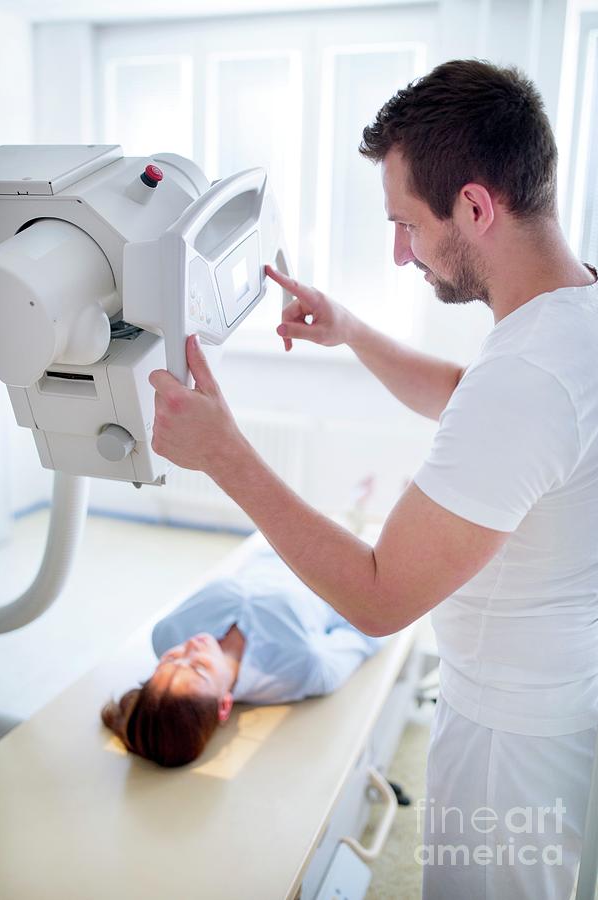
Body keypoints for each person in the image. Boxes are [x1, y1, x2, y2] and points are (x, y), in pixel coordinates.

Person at [148, 59, 598, 898]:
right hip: (552, 698)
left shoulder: (531, 378)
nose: (399, 253)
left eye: (404, 223)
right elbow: (469, 398)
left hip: (512, 742)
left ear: (473, 205)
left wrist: (224, 455)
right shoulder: (572, 313)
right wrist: (350, 329)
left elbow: (380, 597)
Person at [102, 544, 384, 768]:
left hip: (273, 542)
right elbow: (371, 629)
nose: (190, 648)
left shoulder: (167, 634)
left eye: (170, 661)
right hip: (346, 561)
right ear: (224, 705)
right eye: (199, 668)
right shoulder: (302, 667)